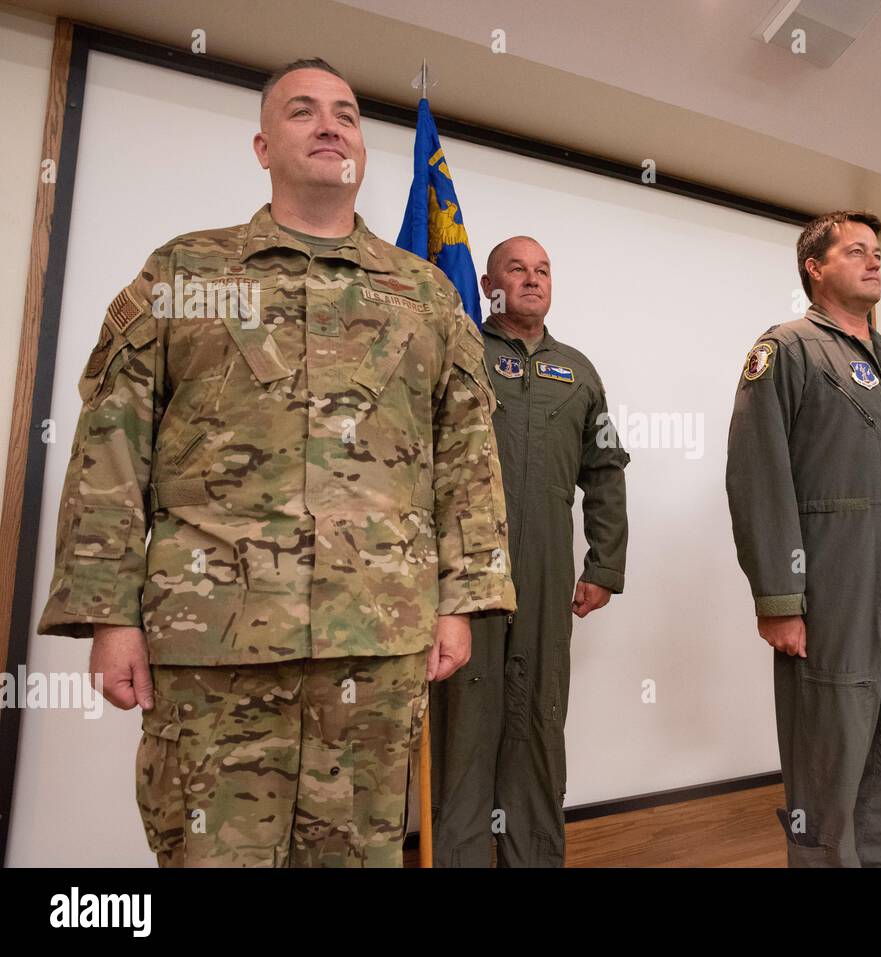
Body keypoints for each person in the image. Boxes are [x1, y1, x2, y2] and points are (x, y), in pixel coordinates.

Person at [36, 58, 515, 867]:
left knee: (360, 856)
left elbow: (465, 456)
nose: (331, 125)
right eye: (304, 112)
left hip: (378, 638)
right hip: (213, 643)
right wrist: (109, 614)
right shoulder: (186, 273)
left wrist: (461, 600)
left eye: (347, 113)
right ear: (263, 146)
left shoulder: (428, 294)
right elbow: (111, 446)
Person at [725, 211, 881, 867]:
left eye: (878, 251)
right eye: (856, 251)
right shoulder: (786, 348)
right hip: (831, 582)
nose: (875, 261)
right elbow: (757, 473)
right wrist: (780, 597)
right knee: (830, 743)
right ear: (814, 267)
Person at [428, 236, 629, 867]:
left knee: (539, 716)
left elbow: (605, 470)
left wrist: (605, 565)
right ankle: (459, 857)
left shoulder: (579, 371)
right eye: (517, 269)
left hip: (546, 566)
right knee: (466, 721)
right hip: (466, 569)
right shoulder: (460, 353)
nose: (532, 279)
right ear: (490, 284)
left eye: (543, 270)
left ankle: (534, 855)